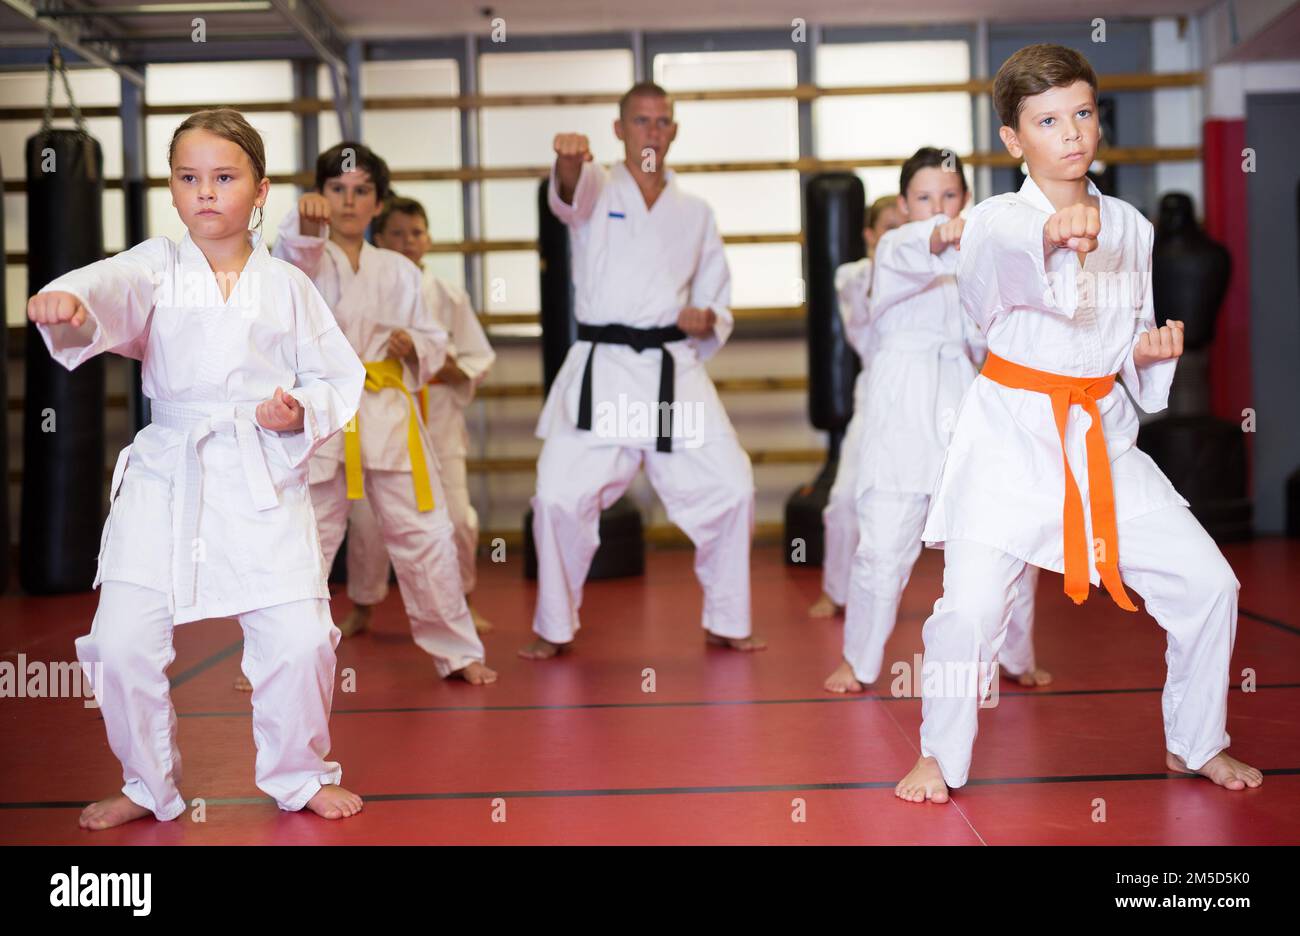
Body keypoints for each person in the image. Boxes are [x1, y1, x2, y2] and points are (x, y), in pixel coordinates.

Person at [895, 44, 1261, 804]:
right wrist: (1052, 236)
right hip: (1008, 443)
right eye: (1049, 119)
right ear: (1012, 138)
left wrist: (1150, 353)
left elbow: (1127, 341)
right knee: (967, 611)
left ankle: (1197, 743)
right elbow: (988, 289)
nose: (1072, 133)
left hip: (1101, 436)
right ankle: (939, 754)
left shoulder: (1130, 226)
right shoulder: (994, 222)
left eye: (1084, 113)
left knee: (1209, 585)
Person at [28, 108, 367, 828]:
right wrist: (73, 298)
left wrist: (296, 409)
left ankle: (299, 772)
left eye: (223, 177)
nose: (205, 192)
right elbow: (112, 286)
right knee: (118, 643)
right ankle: (147, 784)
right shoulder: (158, 265)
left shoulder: (288, 286)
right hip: (167, 473)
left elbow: (339, 375)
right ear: (174, 191)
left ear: (260, 189)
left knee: (301, 640)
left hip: (259, 475)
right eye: (188, 178)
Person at [521, 81, 763, 660]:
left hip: (670, 369)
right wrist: (567, 160)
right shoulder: (597, 185)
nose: (651, 132)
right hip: (603, 368)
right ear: (619, 130)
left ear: (673, 131)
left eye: (661, 122)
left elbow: (717, 300)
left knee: (733, 487)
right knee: (556, 497)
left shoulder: (696, 212)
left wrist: (708, 317)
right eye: (641, 121)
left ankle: (727, 619)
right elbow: (566, 197)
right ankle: (554, 626)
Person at [273, 142, 497, 685]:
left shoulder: (399, 269)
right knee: (308, 538)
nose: (349, 202)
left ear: (378, 203)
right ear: (320, 195)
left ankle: (457, 650)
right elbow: (291, 259)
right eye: (337, 190)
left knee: (426, 534)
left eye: (362, 192)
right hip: (323, 411)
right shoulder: (301, 255)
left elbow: (434, 337)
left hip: (387, 410)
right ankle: (274, 659)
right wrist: (304, 223)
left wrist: (412, 345)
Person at [343, 195, 497, 636]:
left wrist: (425, 358)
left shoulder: (449, 296)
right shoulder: (366, 290)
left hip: (440, 421)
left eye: (417, 233)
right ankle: (365, 605)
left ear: (428, 239)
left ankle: (463, 601)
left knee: (460, 517)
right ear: (380, 237)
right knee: (367, 523)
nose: (409, 242)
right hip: (382, 419)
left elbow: (475, 360)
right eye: (397, 233)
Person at [809, 193, 902, 619]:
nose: (899, 236)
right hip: (876, 397)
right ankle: (837, 592)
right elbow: (860, 337)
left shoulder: (946, 275)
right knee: (844, 499)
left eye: (906, 226)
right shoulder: (854, 277)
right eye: (888, 228)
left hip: (943, 402)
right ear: (869, 235)